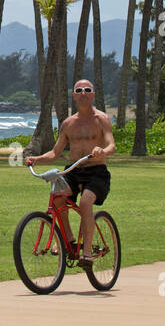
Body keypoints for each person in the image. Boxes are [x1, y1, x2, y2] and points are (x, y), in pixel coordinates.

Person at [25, 79, 116, 268]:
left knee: (85, 202)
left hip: (96, 172)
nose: (83, 93)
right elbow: (55, 153)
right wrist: (37, 159)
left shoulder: (101, 119)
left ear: (93, 95)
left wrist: (103, 151)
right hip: (73, 170)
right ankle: (69, 241)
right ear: (74, 95)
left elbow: (111, 145)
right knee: (58, 199)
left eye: (87, 90)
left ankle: (87, 253)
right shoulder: (68, 124)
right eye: (79, 90)